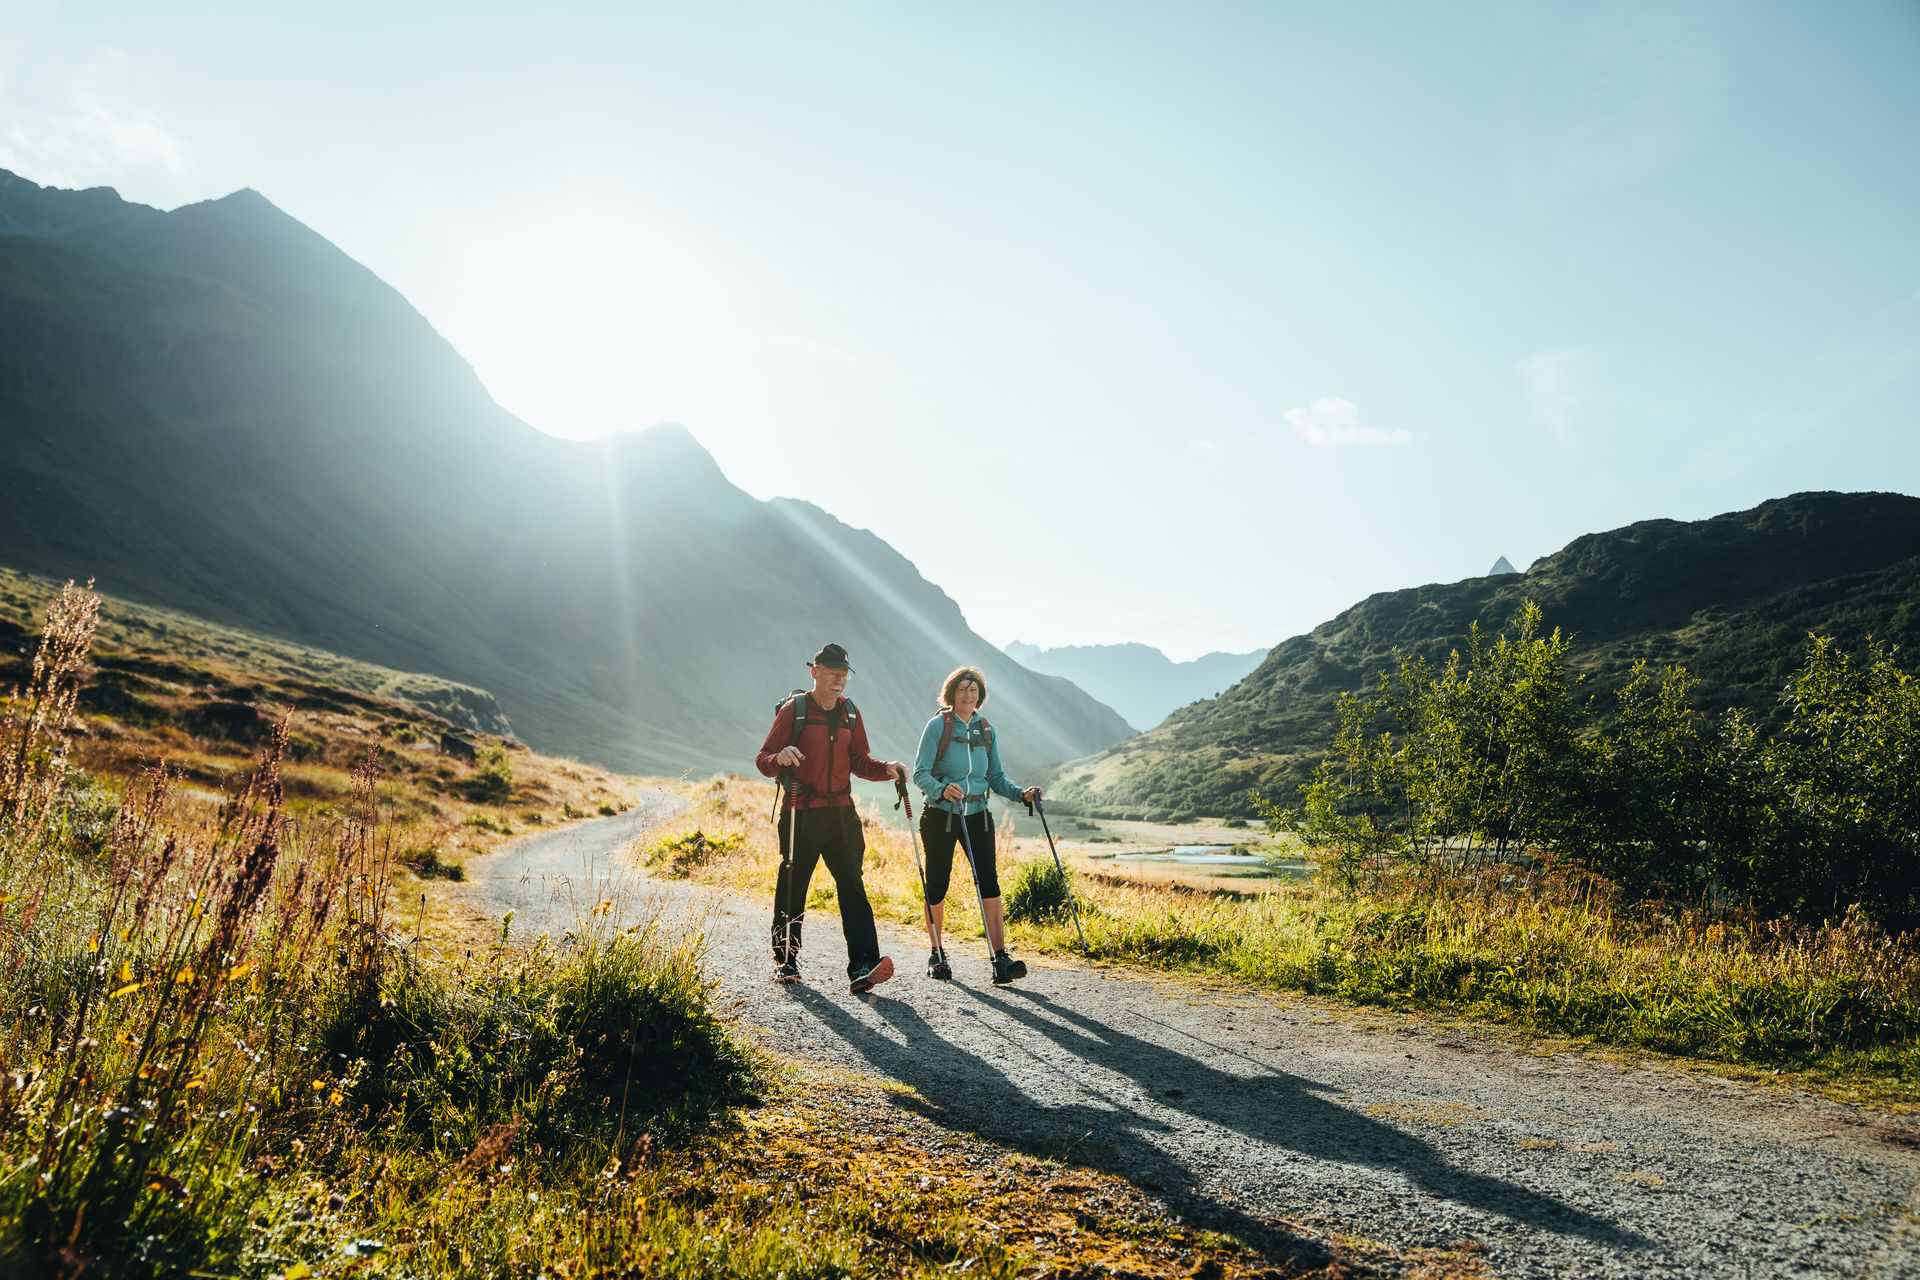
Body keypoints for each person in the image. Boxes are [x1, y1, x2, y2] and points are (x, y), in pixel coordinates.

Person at [755, 642, 908, 993]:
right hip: (801, 813)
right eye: (832, 674)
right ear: (815, 673)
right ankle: (786, 961)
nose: (839, 681)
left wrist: (887, 769)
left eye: (844, 675)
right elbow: (763, 758)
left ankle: (864, 964)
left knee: (853, 885)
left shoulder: (850, 713)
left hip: (841, 814)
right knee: (793, 887)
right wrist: (780, 756)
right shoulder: (794, 710)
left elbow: (860, 761)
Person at [911, 666, 1041, 984]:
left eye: (974, 690)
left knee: (989, 882)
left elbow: (995, 778)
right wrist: (941, 788)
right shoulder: (936, 727)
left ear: (980, 695)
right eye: (963, 689)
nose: (969, 695)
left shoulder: (986, 730)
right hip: (941, 816)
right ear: (952, 694)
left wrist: (1021, 795)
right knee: (938, 882)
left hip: (978, 815)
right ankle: (937, 954)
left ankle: (1000, 959)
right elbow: (919, 773)